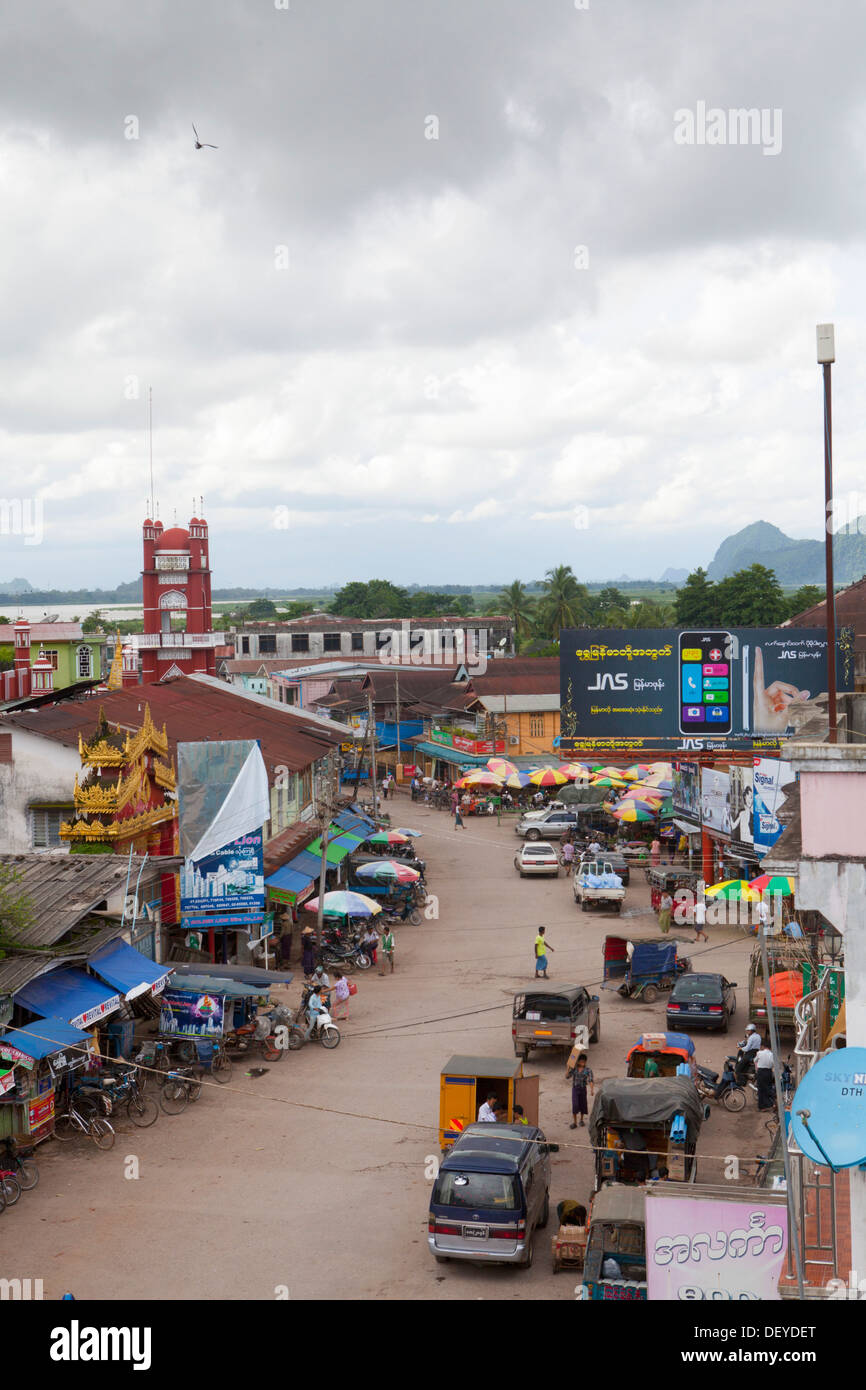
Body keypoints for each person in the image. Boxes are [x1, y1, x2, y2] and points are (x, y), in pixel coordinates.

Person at [568, 1052, 594, 1128]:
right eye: (581, 1061)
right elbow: (567, 1076)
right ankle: (575, 1122)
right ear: (578, 1061)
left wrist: (592, 1089)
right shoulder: (574, 1069)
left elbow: (591, 1080)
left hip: (583, 1089)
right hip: (575, 1089)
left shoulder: (588, 1070)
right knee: (575, 1105)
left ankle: (581, 1120)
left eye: (584, 1062)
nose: (583, 1063)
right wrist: (567, 1069)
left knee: (583, 1104)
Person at [755, 1039, 775, 1110]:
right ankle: (772, 1103)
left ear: (763, 1046)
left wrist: (756, 1068)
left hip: (760, 1072)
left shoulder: (759, 1053)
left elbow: (755, 1060)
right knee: (768, 1088)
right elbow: (773, 1064)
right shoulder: (772, 1054)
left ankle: (762, 1107)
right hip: (768, 1072)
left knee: (760, 1090)